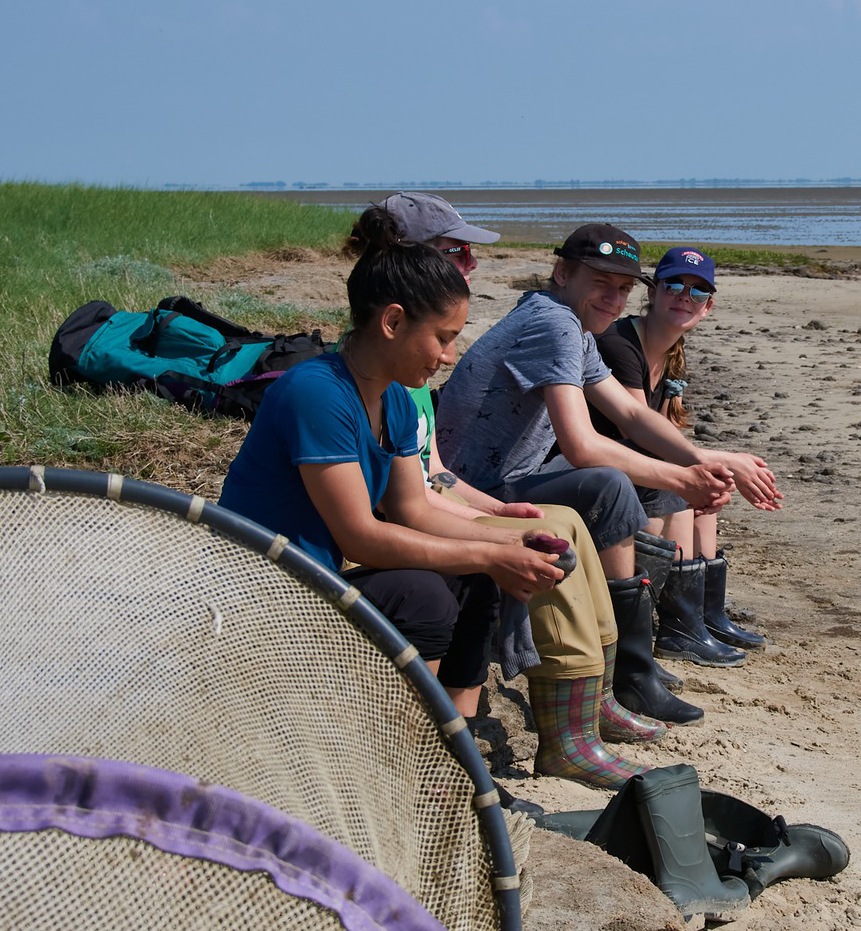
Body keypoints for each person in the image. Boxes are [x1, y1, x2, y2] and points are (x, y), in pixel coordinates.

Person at [218, 235, 638, 789]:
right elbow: (362, 537)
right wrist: (489, 553)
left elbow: (412, 506)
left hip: (315, 582)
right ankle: (415, 752)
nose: (447, 356)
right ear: (392, 322)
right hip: (262, 596)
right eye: (442, 338)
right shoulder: (315, 394)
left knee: (479, 572)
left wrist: (503, 547)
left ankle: (457, 735)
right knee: (425, 593)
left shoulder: (392, 397)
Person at [340, 193, 664, 787]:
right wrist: (492, 541)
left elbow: (430, 476)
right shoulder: (360, 384)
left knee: (556, 523)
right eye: (457, 253)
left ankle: (589, 703)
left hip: (453, 498)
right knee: (544, 533)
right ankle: (564, 731)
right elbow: (387, 514)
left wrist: (496, 512)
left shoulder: (396, 382)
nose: (450, 356)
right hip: (306, 572)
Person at [435, 224, 780, 726]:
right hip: (479, 488)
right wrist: (682, 479)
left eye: (622, 288)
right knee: (612, 484)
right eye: (601, 282)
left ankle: (638, 662)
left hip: (513, 472)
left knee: (639, 481)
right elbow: (581, 445)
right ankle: (626, 676)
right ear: (561, 272)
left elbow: (633, 416)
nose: (614, 298)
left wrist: (700, 462)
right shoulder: (553, 323)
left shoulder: (572, 325)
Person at [593, 246, 773, 657]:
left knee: (703, 484)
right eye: (674, 285)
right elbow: (636, 429)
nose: (684, 296)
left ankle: (703, 614)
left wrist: (713, 470)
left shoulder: (672, 351)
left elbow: (667, 437)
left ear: (708, 307)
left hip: (626, 466)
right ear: (653, 293)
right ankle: (680, 625)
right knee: (678, 492)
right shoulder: (619, 343)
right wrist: (720, 461)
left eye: (697, 292)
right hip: (600, 469)